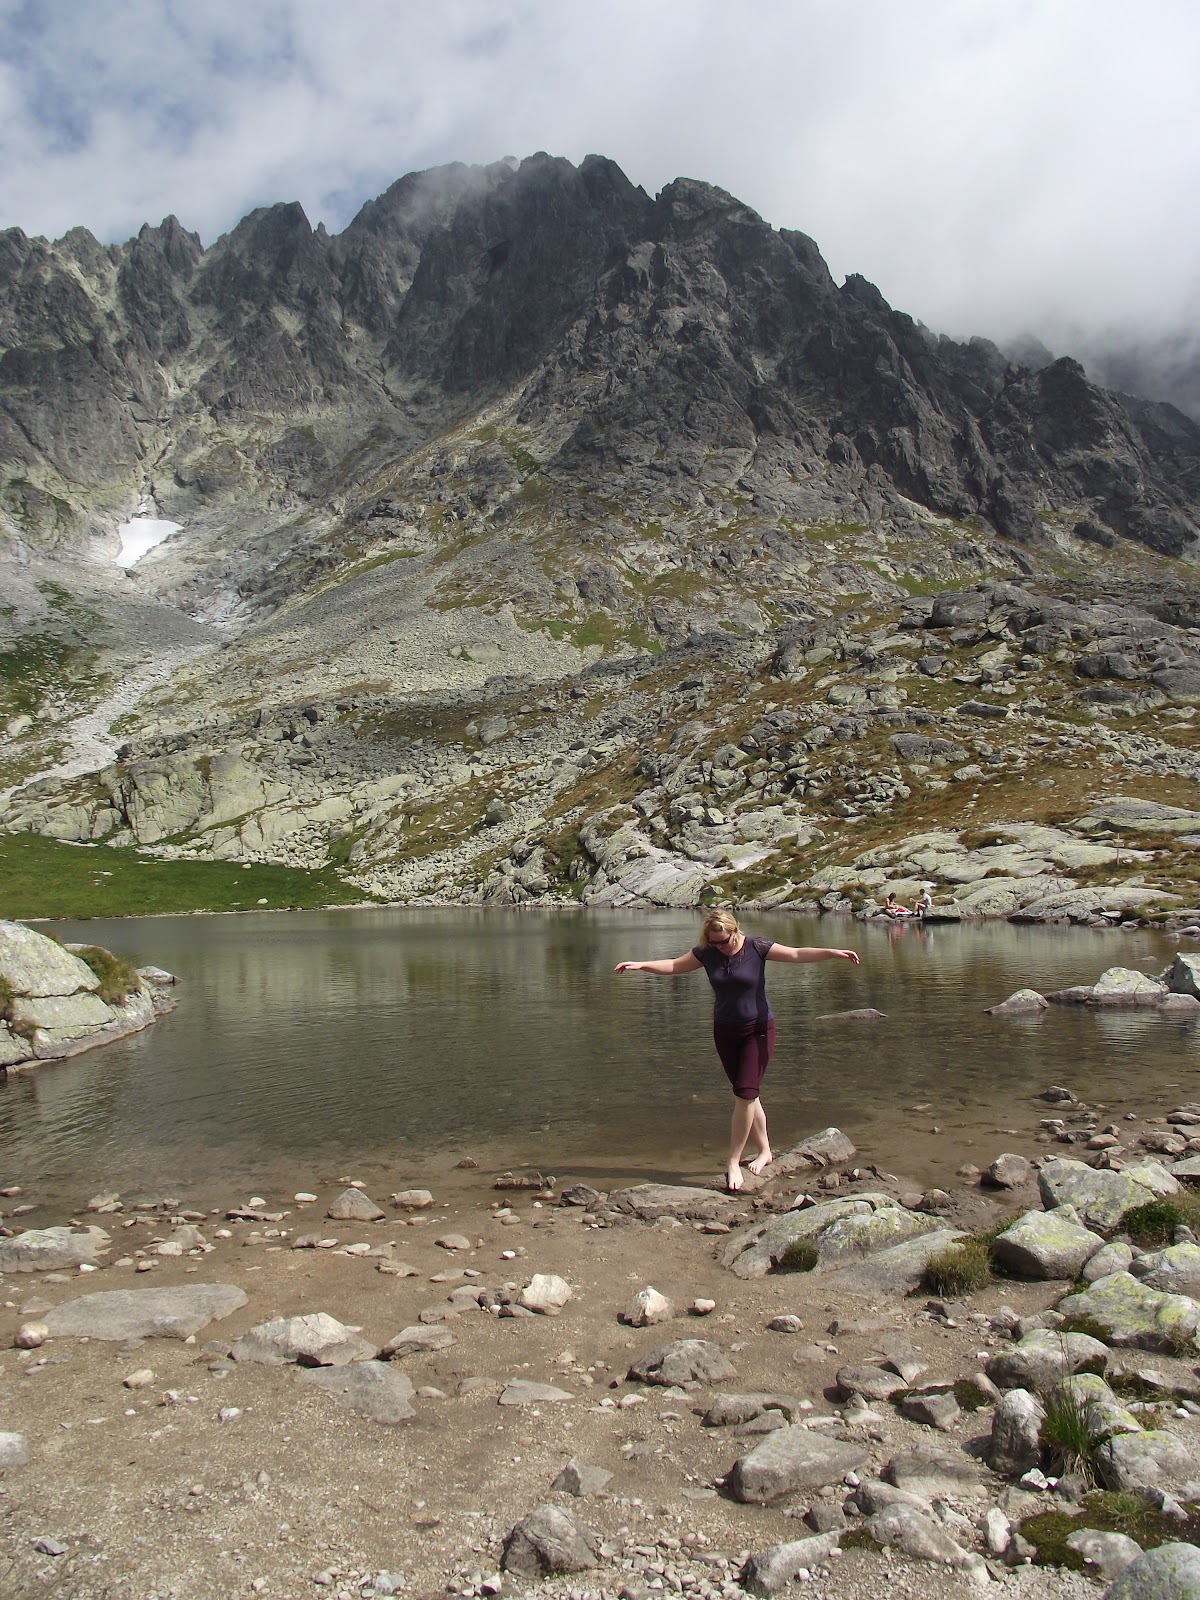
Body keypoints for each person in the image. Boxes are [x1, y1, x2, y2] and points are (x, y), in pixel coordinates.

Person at [614, 910, 861, 1194]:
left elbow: (795, 954)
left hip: (758, 1029)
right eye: (713, 941)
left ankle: (733, 1160)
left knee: (744, 1094)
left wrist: (833, 952)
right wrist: (641, 965)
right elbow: (674, 966)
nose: (719, 946)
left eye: (723, 941)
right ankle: (765, 1150)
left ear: (735, 931)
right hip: (725, 1030)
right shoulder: (706, 952)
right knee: (748, 1094)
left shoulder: (757, 946)